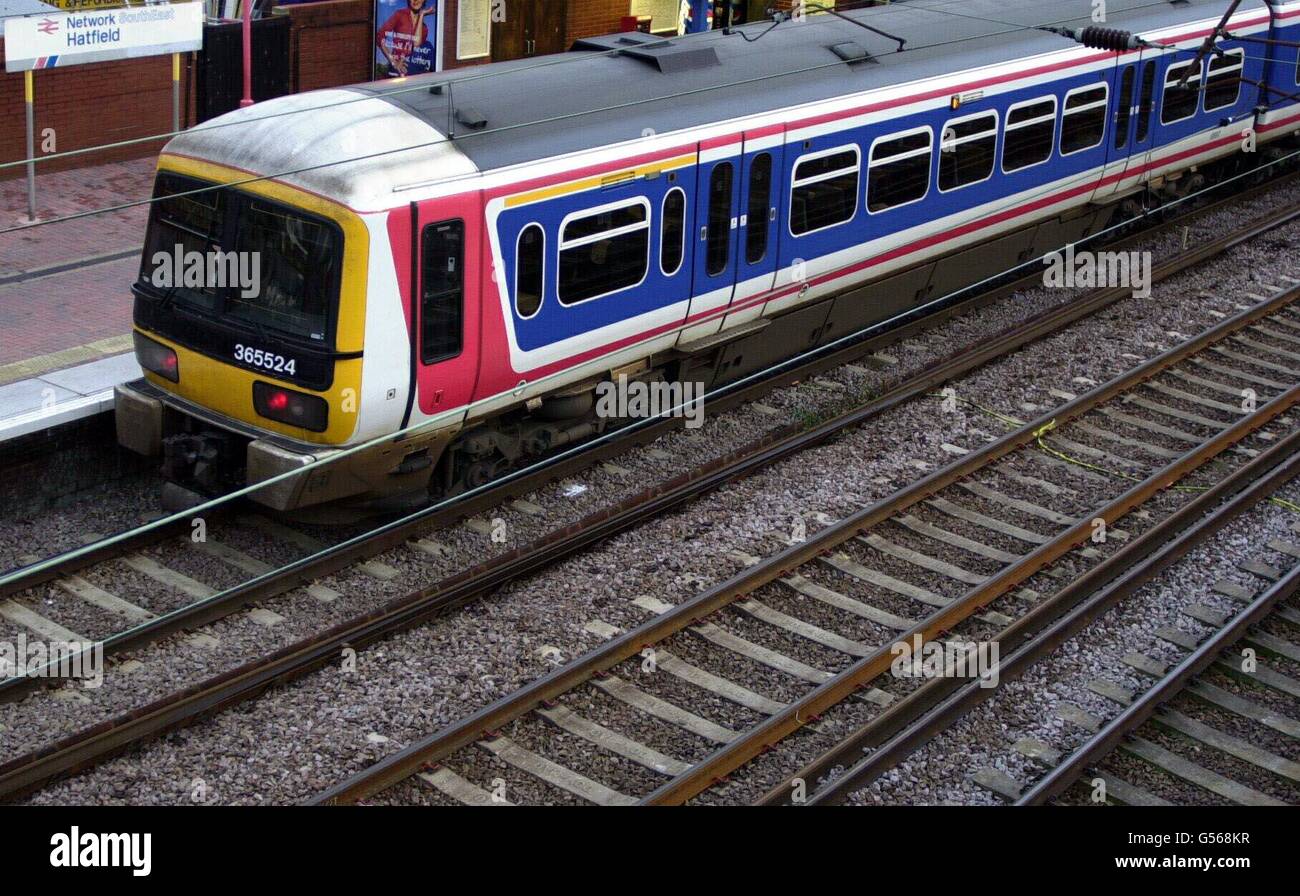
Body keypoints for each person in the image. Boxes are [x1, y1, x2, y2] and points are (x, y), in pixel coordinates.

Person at [376, 0, 431, 78]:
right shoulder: (400, 14)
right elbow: (380, 36)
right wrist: (393, 61)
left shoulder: (424, 28)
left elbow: (416, 44)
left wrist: (422, 15)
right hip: (397, 70)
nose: (415, 1)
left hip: (415, 71)